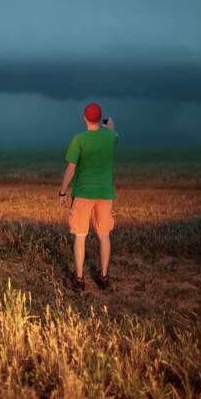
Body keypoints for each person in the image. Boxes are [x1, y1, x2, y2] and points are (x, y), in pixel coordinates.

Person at [57, 102, 117, 292]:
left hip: (83, 193)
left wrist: (62, 192)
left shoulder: (79, 139)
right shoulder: (110, 137)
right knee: (104, 236)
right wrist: (110, 125)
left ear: (84, 118)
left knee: (80, 236)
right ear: (100, 119)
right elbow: (113, 133)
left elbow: (71, 168)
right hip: (105, 193)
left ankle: (79, 280)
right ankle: (104, 277)